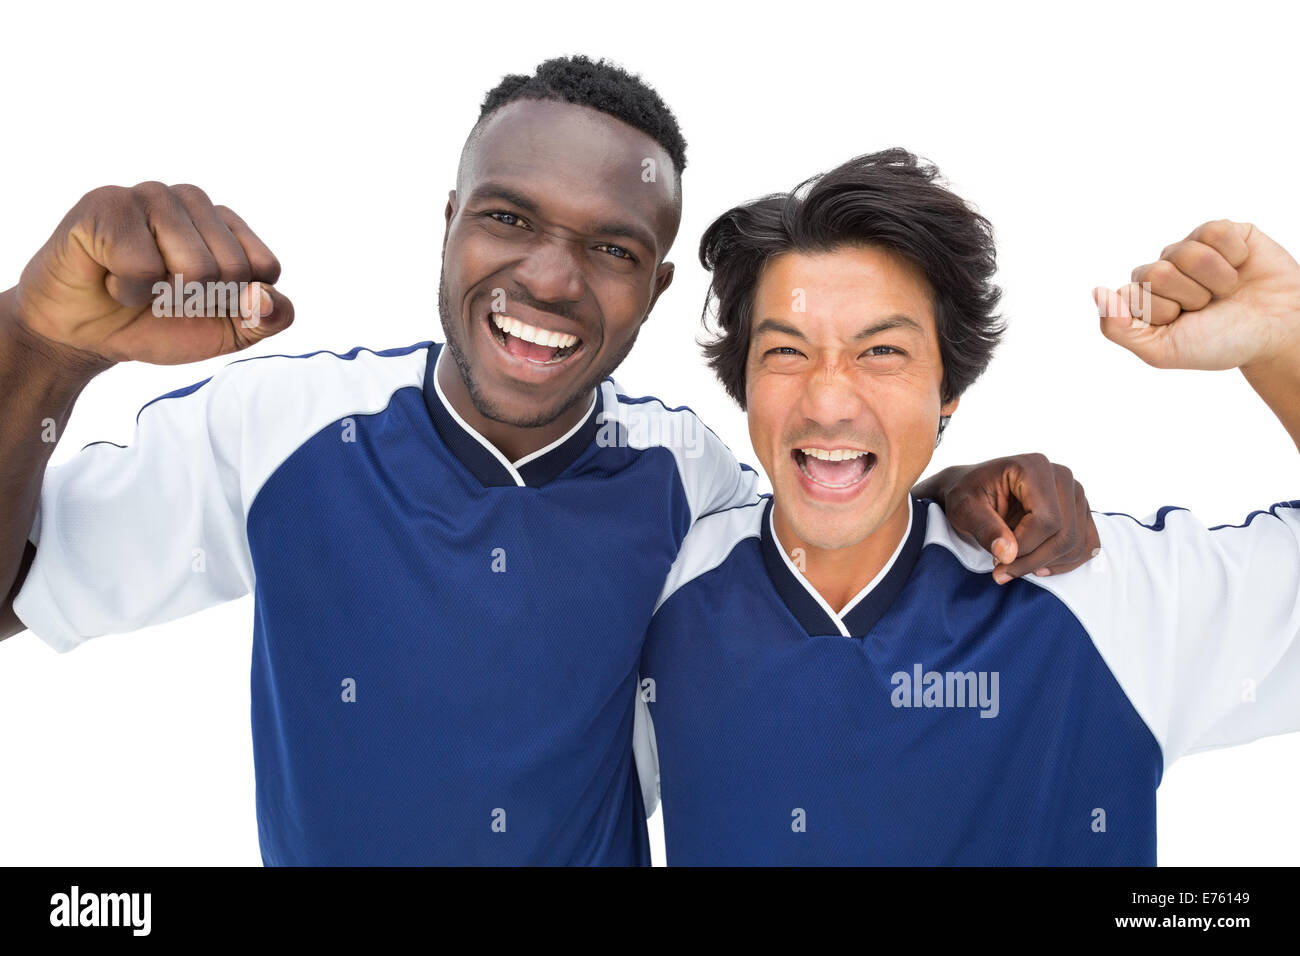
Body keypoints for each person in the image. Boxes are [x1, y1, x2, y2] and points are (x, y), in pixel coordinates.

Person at [0, 59, 1097, 865]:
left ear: (657, 286)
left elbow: (837, 537)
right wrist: (41, 353)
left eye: (612, 247)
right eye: (508, 217)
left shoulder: (689, 479)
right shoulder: (280, 425)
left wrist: (945, 487)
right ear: (448, 225)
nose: (550, 277)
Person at [636, 148, 1300, 865]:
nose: (827, 402)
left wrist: (1286, 342)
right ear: (743, 383)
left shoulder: (1091, 593)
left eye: (883, 351)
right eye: (787, 353)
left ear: (948, 391)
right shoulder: (656, 593)